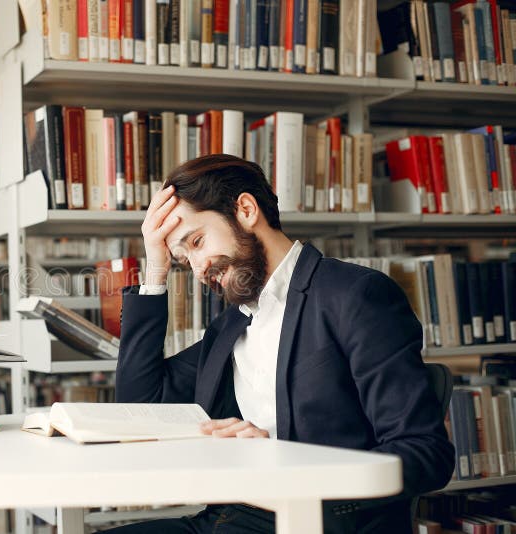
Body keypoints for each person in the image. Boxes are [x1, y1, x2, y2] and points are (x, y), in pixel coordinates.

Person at [103, 154, 454, 534]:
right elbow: (140, 405)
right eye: (185, 260)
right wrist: (155, 271)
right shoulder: (230, 326)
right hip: (228, 519)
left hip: (319, 522)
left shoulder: (354, 295)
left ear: (246, 210)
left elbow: (425, 453)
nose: (199, 268)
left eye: (198, 242)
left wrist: (283, 464)